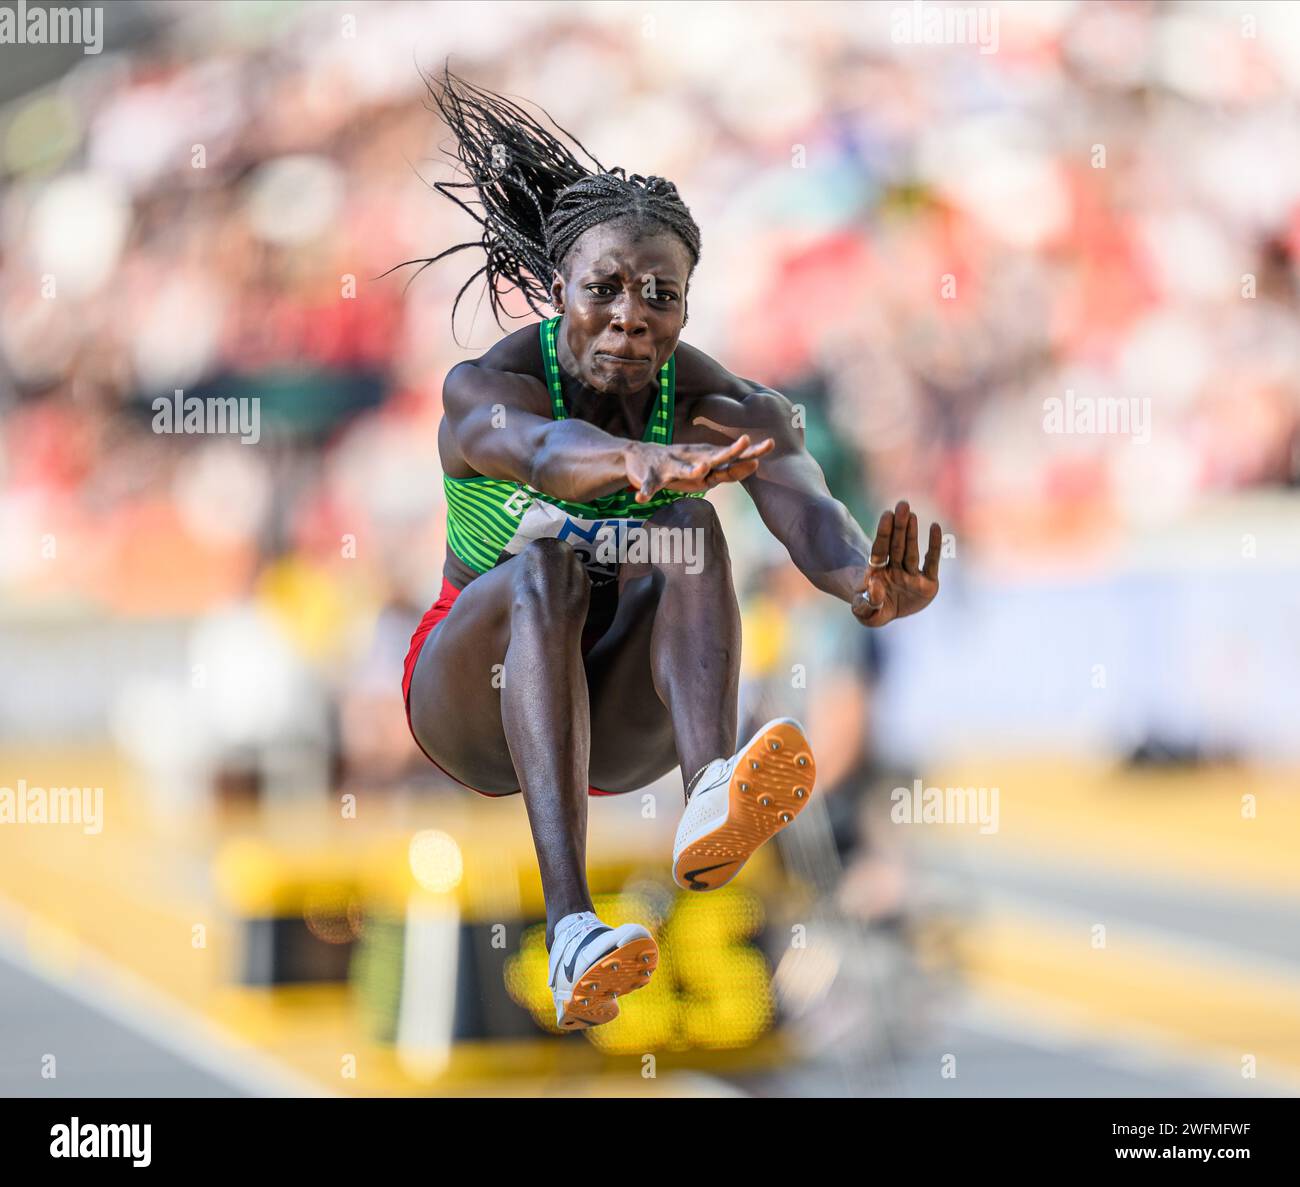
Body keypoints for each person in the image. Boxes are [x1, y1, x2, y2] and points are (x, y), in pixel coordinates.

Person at [400, 72, 942, 1030]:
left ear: (686, 306)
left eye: (660, 294)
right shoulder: (491, 385)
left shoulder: (722, 404)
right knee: (545, 568)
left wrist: (863, 580)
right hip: (474, 703)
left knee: (694, 531)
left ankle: (708, 791)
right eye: (603, 289)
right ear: (556, 288)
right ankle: (571, 927)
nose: (630, 315)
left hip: (615, 714)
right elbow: (539, 454)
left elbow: (806, 508)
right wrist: (629, 460)